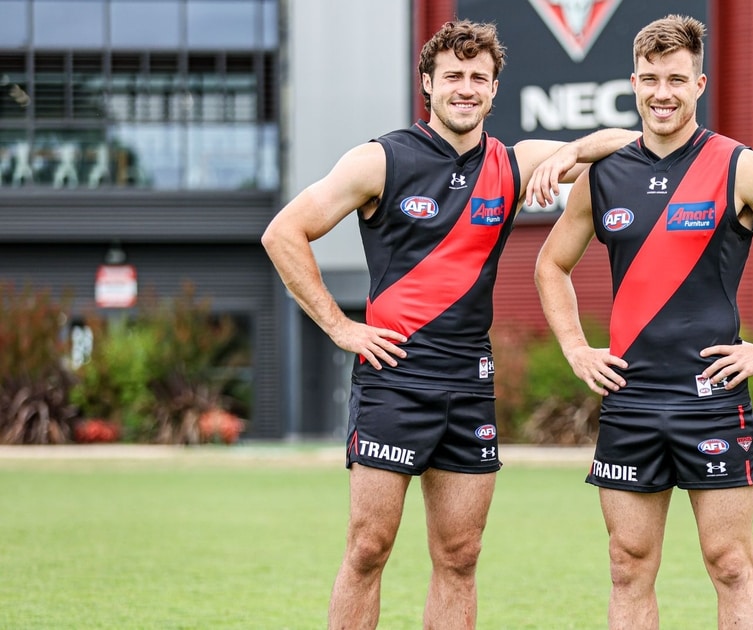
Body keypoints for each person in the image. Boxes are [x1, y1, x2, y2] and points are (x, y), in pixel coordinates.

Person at [261, 19, 636, 630]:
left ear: (494, 92)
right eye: (454, 76)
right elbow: (283, 232)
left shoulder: (512, 165)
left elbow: (631, 140)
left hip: (468, 382)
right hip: (394, 378)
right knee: (367, 550)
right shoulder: (380, 160)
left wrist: (569, 152)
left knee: (460, 557)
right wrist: (340, 327)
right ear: (427, 84)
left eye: (479, 78)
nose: (466, 87)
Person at [532, 14, 753, 629]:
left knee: (729, 563)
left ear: (700, 84)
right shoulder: (603, 175)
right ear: (634, 84)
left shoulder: (740, 168)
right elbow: (550, 266)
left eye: (677, 78)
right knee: (627, 565)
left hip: (711, 399)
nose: (662, 92)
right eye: (650, 79)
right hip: (630, 398)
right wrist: (575, 347)